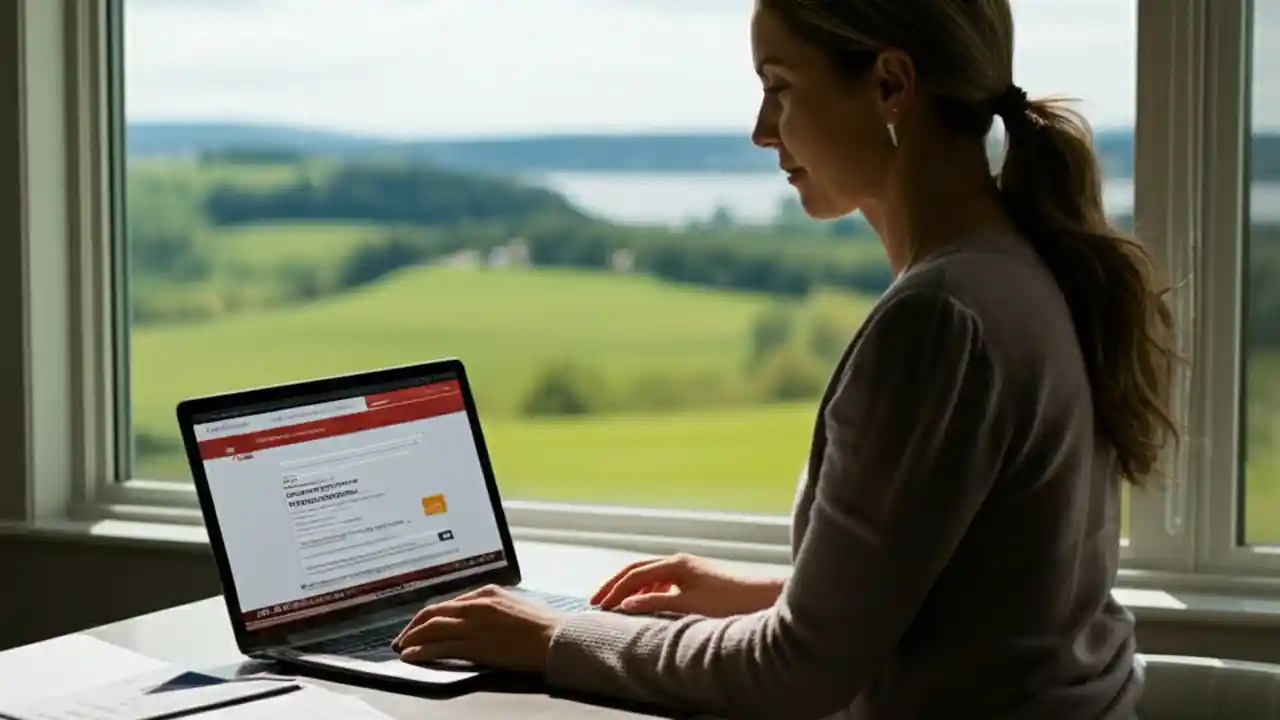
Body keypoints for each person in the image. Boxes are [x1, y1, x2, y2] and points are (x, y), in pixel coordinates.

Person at [391, 0, 1178, 717]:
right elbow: (983, 595)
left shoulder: (941, 320)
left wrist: (554, 640)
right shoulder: (1015, 270)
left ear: (891, 85)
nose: (763, 130)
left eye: (781, 87)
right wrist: (779, 593)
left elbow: (797, 674)